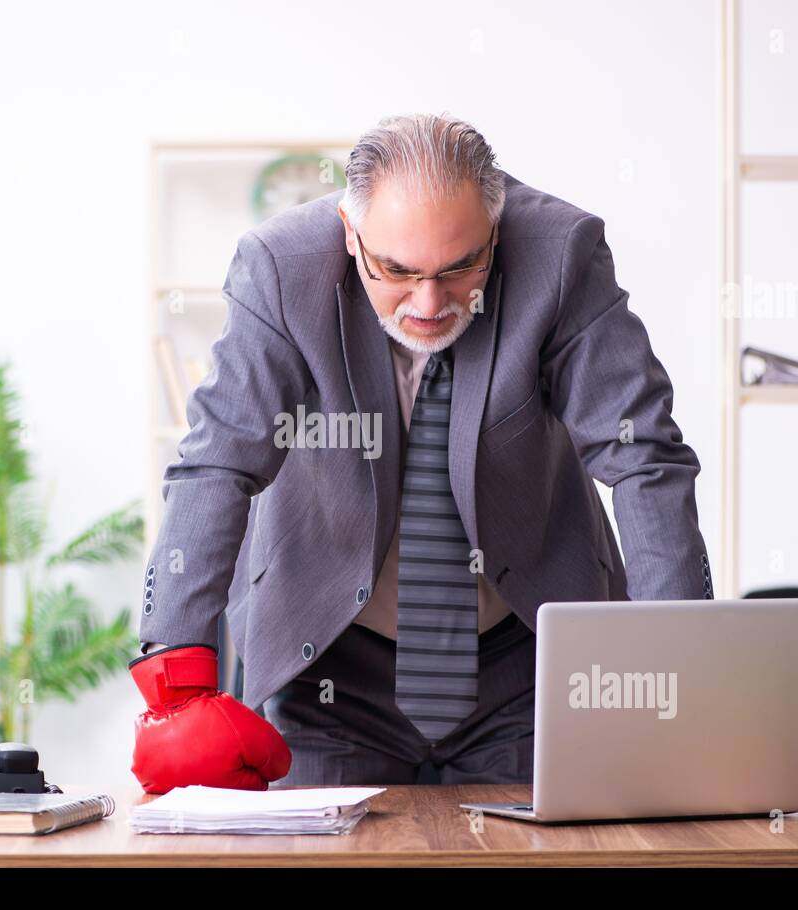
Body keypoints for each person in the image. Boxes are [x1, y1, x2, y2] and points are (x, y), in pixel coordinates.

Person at [129, 113, 713, 792]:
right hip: (329, 665)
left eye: (460, 266)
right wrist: (175, 677)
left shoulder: (561, 256)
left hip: (526, 663)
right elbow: (217, 461)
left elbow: (643, 455)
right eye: (397, 271)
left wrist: (680, 658)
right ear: (351, 233)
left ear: (496, 232)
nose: (429, 303)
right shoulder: (281, 272)